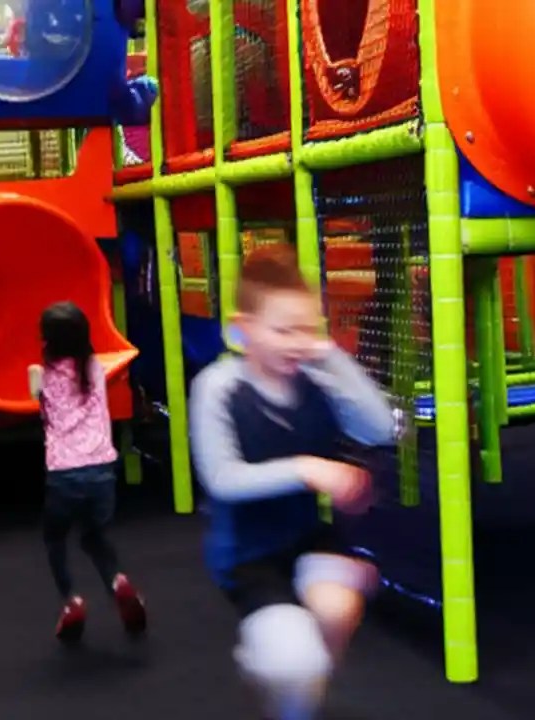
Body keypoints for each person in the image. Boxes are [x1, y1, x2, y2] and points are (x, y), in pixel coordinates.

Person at [188, 245, 396, 720]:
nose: (295, 343)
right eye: (282, 330)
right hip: (246, 554)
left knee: (336, 611)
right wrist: (308, 468)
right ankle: (278, 668)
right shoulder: (220, 386)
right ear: (243, 328)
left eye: (306, 329)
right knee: (294, 662)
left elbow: (381, 428)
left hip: (306, 540)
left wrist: (330, 354)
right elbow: (222, 478)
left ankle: (297, 681)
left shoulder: (314, 380)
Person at [29, 301, 147, 642]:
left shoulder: (40, 374)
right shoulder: (95, 368)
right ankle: (117, 582)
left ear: (46, 340)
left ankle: (71, 599)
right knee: (94, 537)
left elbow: (36, 400)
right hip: (102, 471)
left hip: (63, 474)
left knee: (55, 538)